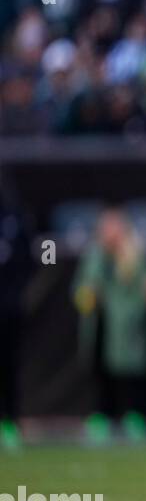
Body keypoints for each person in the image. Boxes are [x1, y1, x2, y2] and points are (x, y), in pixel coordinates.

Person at [72, 206, 146, 443]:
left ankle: (134, 416)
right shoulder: (95, 256)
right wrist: (88, 296)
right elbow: (82, 289)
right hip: (100, 323)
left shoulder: (134, 255)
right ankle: (102, 416)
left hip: (128, 325)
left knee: (129, 371)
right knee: (101, 371)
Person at [0, 171, 34, 452]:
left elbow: (30, 261)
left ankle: (10, 420)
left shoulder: (15, 218)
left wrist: (17, 295)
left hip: (9, 306)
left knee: (9, 364)